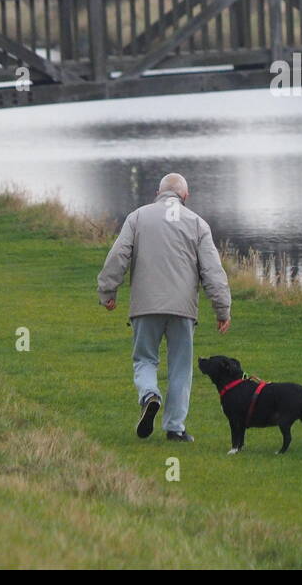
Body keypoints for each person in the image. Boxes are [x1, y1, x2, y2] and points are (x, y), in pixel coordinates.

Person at [97, 172, 231, 442]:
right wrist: (222, 308)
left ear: (157, 193)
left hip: (145, 306)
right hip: (183, 309)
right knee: (181, 367)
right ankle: (175, 428)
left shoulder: (137, 217)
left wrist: (108, 290)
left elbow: (119, 255)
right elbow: (213, 271)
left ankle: (149, 394)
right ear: (185, 196)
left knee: (145, 359)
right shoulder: (197, 223)